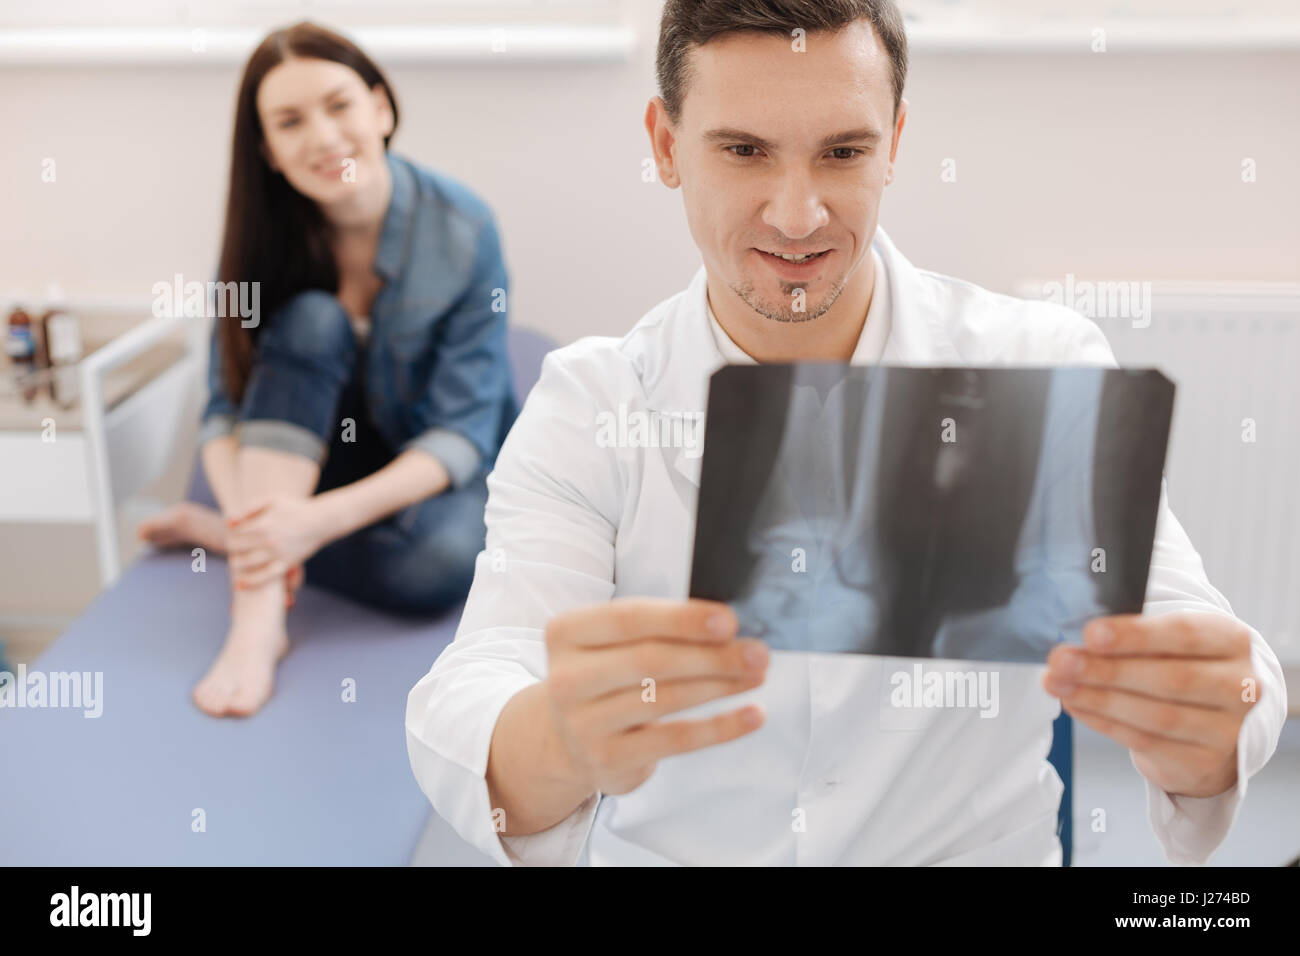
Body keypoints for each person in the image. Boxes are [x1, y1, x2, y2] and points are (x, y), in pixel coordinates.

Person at [405, 0, 1286, 865]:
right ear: (667, 146)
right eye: (745, 151)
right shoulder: (590, 405)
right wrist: (556, 739)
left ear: (895, 143)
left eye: (844, 152)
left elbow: (1206, 639)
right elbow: (474, 685)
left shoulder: (1039, 365)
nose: (798, 216)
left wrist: (1213, 720)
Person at [139, 22, 517, 718]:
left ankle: (232, 540)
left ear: (381, 108)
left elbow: (463, 434)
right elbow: (226, 410)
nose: (321, 136)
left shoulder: (466, 229)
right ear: (270, 152)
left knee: (440, 562)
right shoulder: (253, 247)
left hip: (421, 465)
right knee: (313, 317)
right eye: (290, 121)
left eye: (339, 105)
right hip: (304, 459)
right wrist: (269, 526)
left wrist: (299, 526)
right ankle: (255, 620)